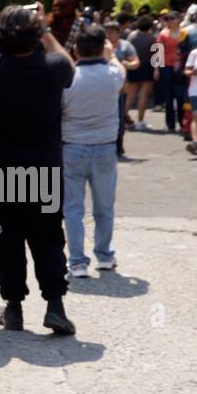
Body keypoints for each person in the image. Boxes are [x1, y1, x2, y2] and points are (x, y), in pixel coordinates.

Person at [0, 4, 77, 335]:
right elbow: (70, 64)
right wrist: (44, 28)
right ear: (37, 35)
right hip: (43, 169)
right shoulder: (53, 67)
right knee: (48, 237)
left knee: (8, 241)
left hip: (0, 170)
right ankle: (55, 305)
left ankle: (14, 307)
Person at [61, 26, 126, 276]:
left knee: (73, 208)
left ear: (76, 49)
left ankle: (77, 261)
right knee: (104, 205)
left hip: (72, 147)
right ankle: (104, 254)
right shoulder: (112, 74)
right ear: (102, 46)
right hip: (104, 147)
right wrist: (113, 55)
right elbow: (121, 73)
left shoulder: (69, 77)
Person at [104, 21, 138, 155]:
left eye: (111, 32)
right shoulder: (100, 45)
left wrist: (127, 65)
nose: (108, 35)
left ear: (118, 33)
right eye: (106, 31)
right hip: (103, 88)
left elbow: (136, 62)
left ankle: (118, 145)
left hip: (120, 88)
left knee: (119, 118)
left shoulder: (125, 46)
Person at [125, 14, 158, 130]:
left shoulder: (131, 36)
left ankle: (122, 118)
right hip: (148, 67)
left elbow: (126, 51)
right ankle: (140, 121)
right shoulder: (153, 37)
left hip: (133, 66)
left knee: (130, 95)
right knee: (143, 95)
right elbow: (157, 56)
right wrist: (157, 70)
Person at [156, 11, 185, 133]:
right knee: (168, 97)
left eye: (173, 18)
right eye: (168, 19)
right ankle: (170, 124)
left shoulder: (184, 33)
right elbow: (158, 53)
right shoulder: (163, 34)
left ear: (179, 19)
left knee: (181, 96)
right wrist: (156, 69)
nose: (170, 21)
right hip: (166, 67)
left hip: (180, 67)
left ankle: (182, 123)